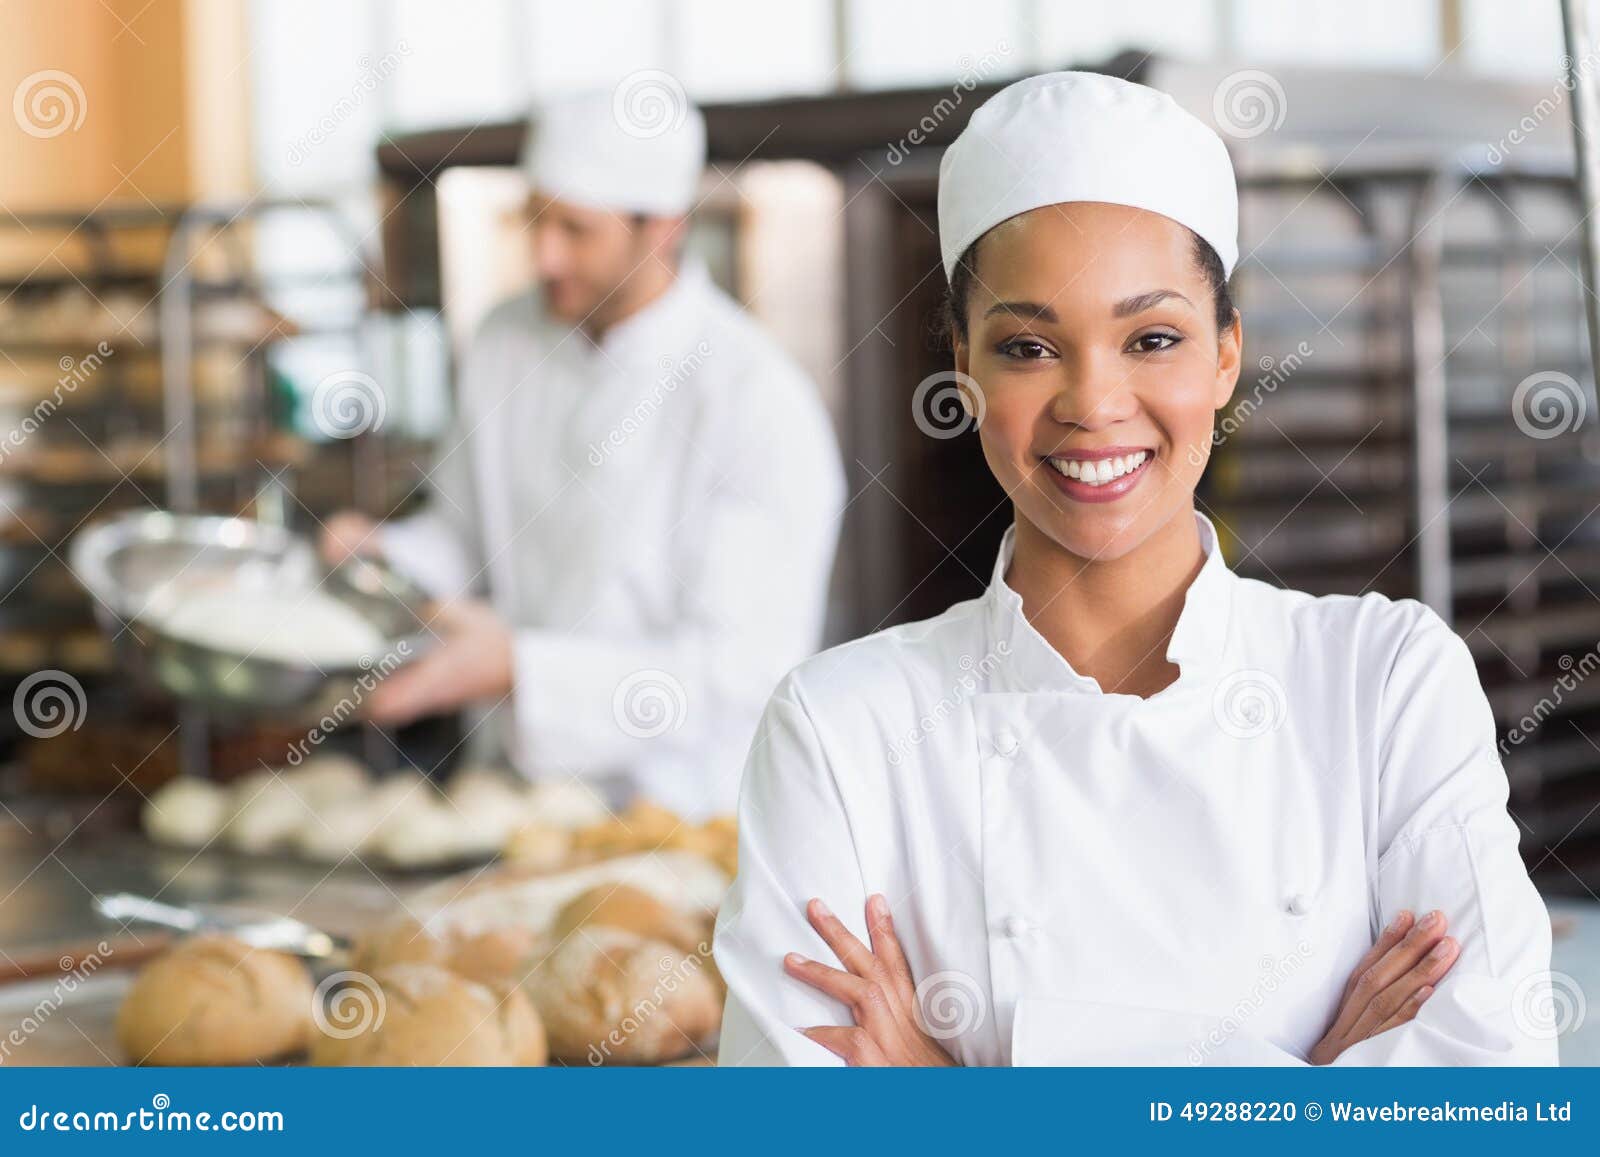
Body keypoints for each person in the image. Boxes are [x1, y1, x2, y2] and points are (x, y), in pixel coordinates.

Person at [713, 71, 1557, 1066]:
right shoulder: (838, 729)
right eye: (1028, 346)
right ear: (963, 368)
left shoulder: (1384, 679)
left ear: (1226, 355)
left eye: (1151, 337)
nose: (1094, 402)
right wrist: (1314, 1085)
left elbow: (1487, 1100)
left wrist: (949, 1097)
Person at [322, 90, 845, 819]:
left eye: (576, 229)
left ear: (662, 227)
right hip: (508, 804)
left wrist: (522, 669)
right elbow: (465, 532)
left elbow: (738, 673)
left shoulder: (753, 398)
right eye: (536, 217)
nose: (545, 255)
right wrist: (386, 561)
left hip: (680, 816)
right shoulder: (506, 341)